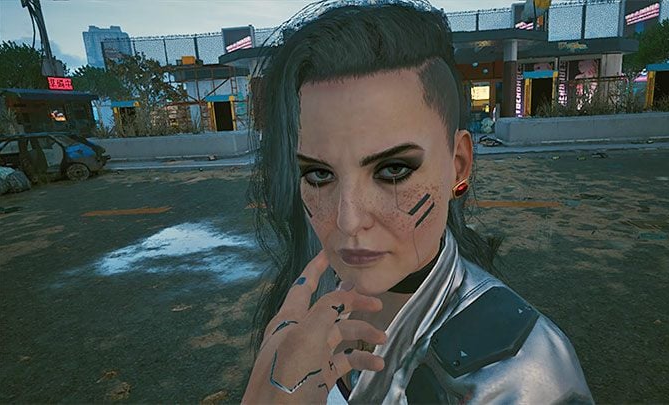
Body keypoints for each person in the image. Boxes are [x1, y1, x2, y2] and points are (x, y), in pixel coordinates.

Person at [242, 1, 593, 403]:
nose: (348, 219)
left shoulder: (522, 372)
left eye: (393, 170)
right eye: (319, 175)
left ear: (458, 165)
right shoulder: (305, 318)